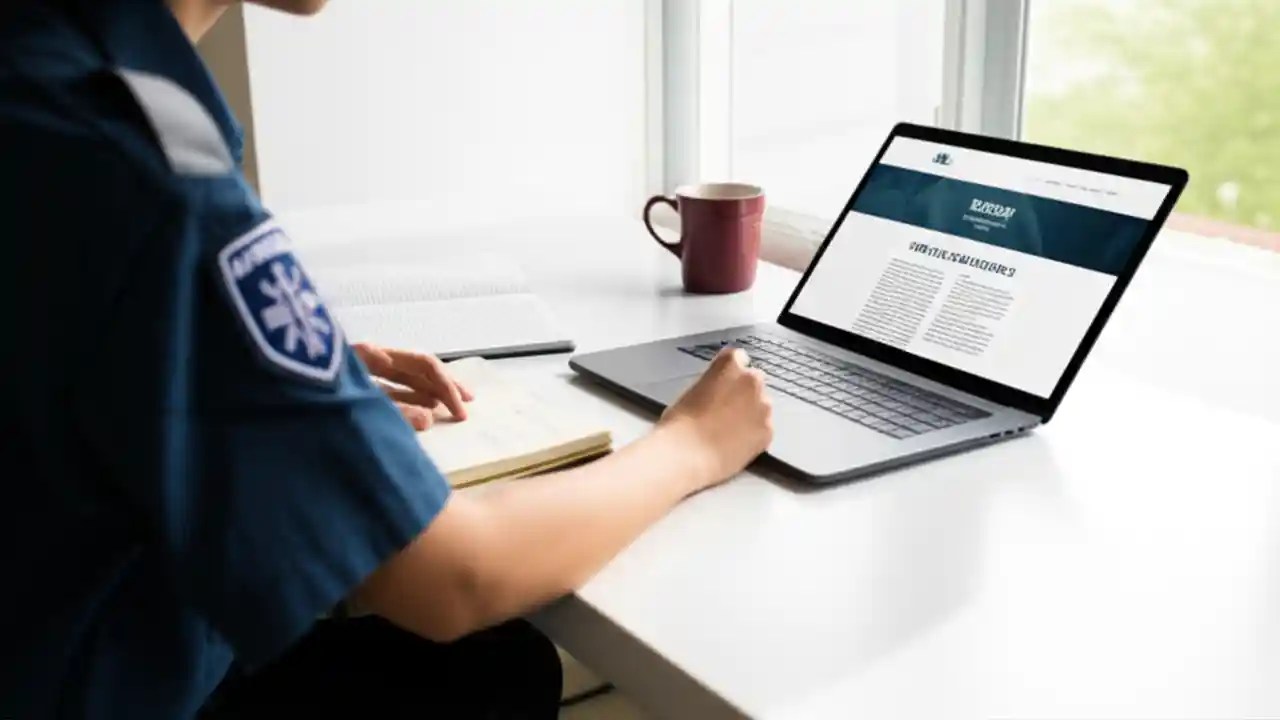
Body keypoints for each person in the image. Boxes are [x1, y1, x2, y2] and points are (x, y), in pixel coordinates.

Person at [0, 0, 774, 718]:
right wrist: (692, 446)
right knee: (494, 668)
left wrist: (255, 367)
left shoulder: (37, 71)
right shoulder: (143, 161)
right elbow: (453, 578)